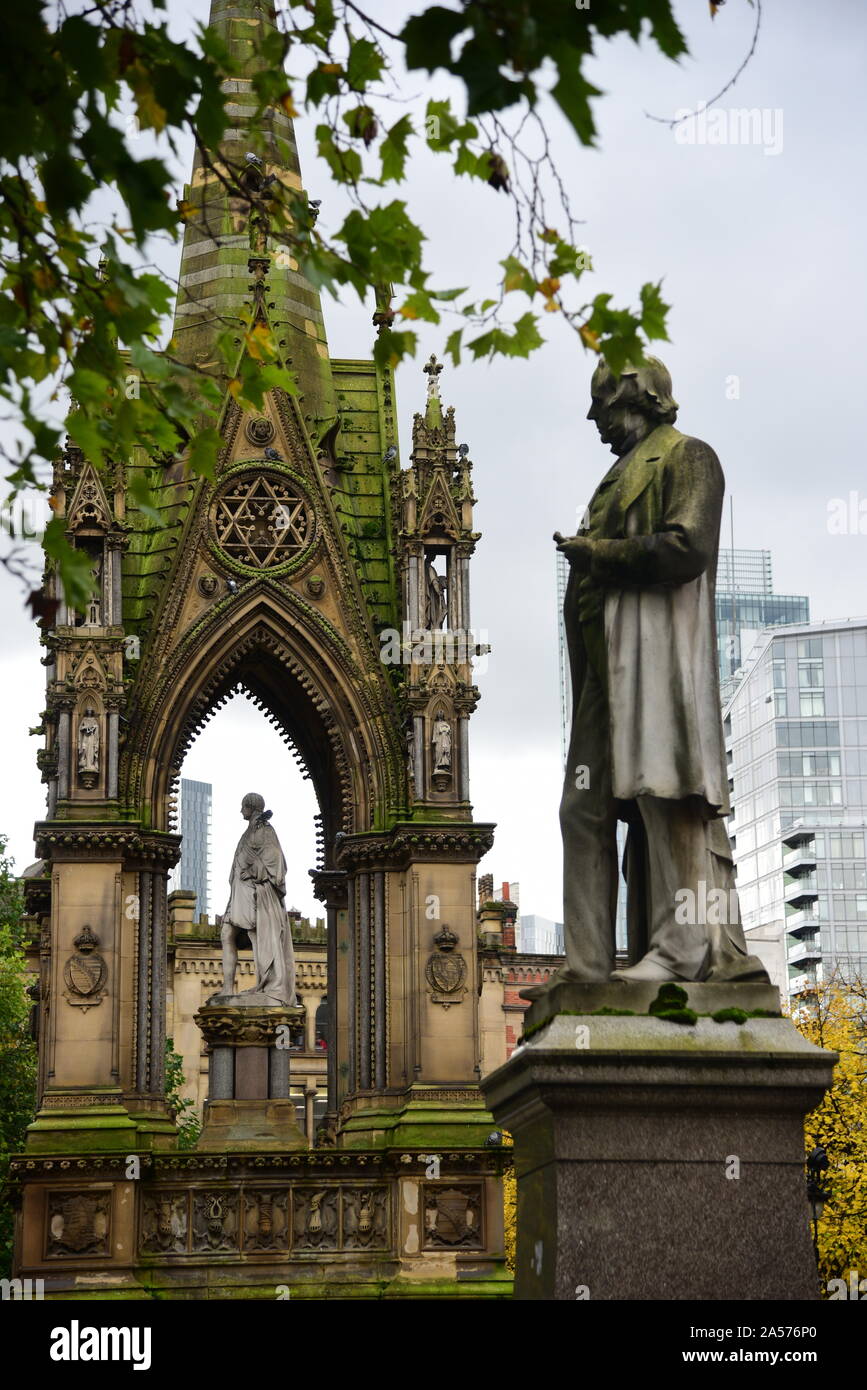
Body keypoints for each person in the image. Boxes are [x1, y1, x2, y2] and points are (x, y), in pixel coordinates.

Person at [545, 356, 767, 986]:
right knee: (580, 809)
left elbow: (687, 546)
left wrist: (598, 554)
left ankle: (683, 948)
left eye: (603, 407)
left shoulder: (689, 457)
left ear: (638, 397)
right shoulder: (613, 479)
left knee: (663, 794)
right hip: (603, 670)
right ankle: (587, 971)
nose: (595, 422)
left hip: (654, 660)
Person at [216, 793, 297, 1005]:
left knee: (257, 935)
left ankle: (268, 984)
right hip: (239, 893)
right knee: (226, 934)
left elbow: (276, 860)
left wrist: (253, 870)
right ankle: (227, 988)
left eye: (242, 806)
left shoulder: (265, 830)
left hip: (255, 893)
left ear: (250, 806)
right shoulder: (251, 829)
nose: (240, 811)